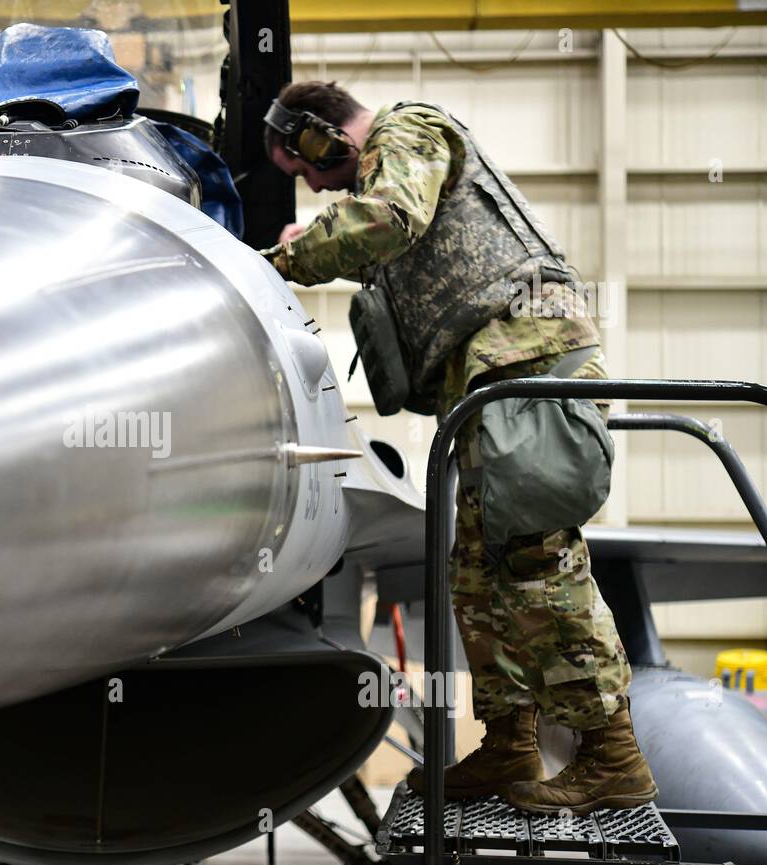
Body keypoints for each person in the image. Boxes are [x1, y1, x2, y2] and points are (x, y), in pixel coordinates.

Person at [260, 80, 657, 814]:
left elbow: (387, 221)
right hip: (488, 385)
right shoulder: (382, 169)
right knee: (477, 578)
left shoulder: (406, 134)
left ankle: (612, 754)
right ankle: (510, 744)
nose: (314, 187)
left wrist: (280, 263)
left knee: (539, 562)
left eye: (305, 167)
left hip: (530, 363)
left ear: (323, 133)